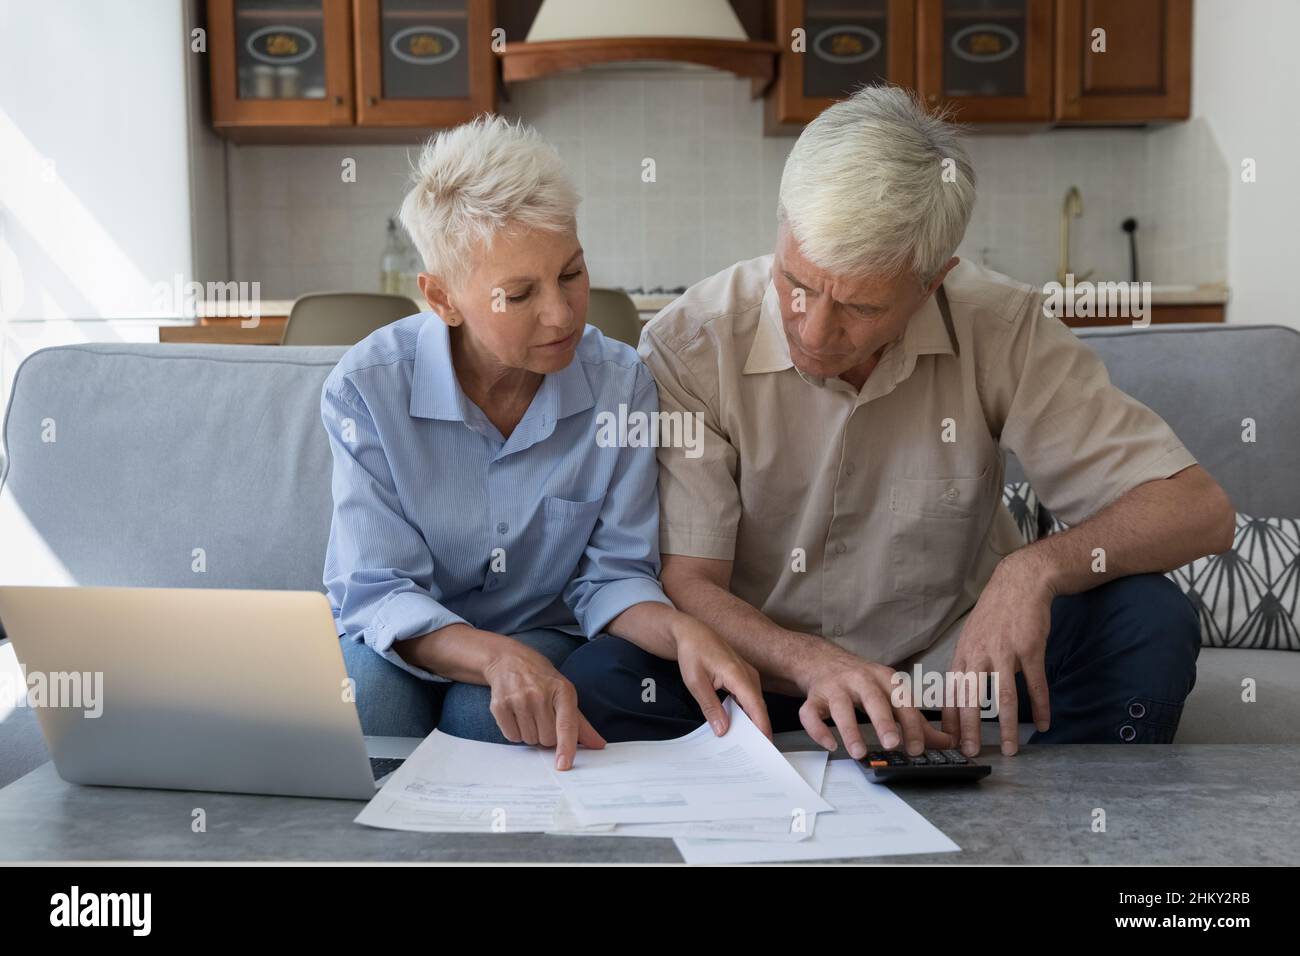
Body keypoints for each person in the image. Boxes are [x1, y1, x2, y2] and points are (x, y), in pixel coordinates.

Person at [561, 86, 1234, 757]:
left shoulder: (1002, 326)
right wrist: (810, 662)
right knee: (601, 682)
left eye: (860, 307)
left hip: (957, 668)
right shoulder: (692, 344)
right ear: (782, 226)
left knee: (1149, 620)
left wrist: (1033, 571)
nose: (815, 330)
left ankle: (1062, 828)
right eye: (798, 284)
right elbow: (691, 581)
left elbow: (1197, 509)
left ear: (932, 282)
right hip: (763, 668)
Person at [321, 116, 770, 771]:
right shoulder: (366, 390)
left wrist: (683, 631)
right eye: (520, 294)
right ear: (442, 298)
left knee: (490, 719)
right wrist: (491, 655)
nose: (561, 314)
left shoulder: (622, 386)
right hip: (398, 638)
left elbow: (613, 577)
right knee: (369, 702)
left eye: (572, 273)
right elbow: (377, 590)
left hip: (540, 633)